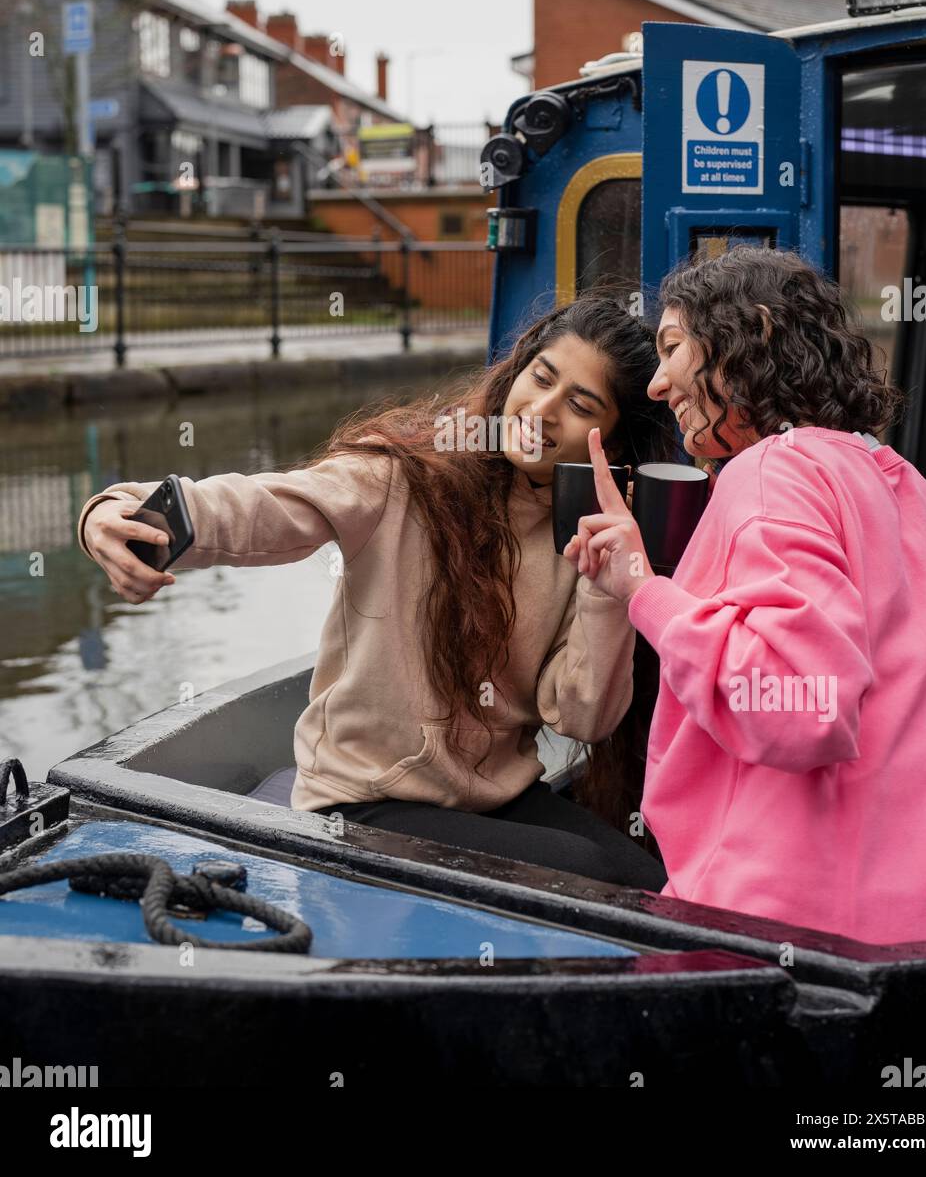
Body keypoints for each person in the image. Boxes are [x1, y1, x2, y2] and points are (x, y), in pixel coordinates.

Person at [77, 292, 673, 890]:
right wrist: (123, 511)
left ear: (613, 444)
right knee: (599, 878)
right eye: (539, 378)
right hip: (362, 800)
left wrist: (605, 587)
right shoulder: (408, 474)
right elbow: (270, 505)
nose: (540, 410)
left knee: (643, 872)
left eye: (579, 404)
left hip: (490, 797)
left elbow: (581, 718)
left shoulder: (587, 534)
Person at [564, 246, 926, 944]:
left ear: (748, 336)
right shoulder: (905, 481)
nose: (658, 386)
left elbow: (799, 705)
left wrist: (642, 590)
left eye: (672, 348)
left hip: (780, 937)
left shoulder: (771, 471)